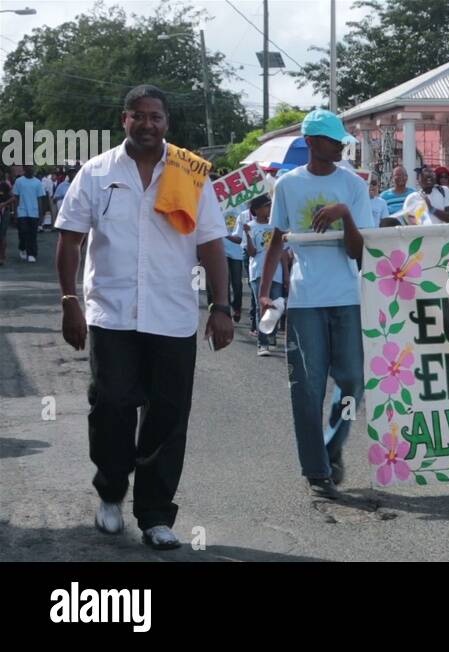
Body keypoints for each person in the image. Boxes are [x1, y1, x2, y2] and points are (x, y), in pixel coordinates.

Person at [54, 84, 233, 549]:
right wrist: (69, 301)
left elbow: (211, 243)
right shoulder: (95, 173)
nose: (148, 124)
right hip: (112, 315)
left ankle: (155, 514)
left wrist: (222, 306)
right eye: (139, 115)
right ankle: (111, 494)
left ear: (166, 122)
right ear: (124, 120)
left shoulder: (191, 174)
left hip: (171, 316)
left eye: (156, 116)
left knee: (168, 416)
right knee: (111, 405)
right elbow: (70, 238)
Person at [258, 109, 374, 499]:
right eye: (333, 140)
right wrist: (263, 291)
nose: (341, 146)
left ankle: (332, 442)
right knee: (306, 388)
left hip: (348, 297)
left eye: (342, 140)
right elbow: (276, 240)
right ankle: (316, 470)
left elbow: (361, 253)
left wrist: (345, 216)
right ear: (312, 143)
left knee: (353, 382)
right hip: (306, 300)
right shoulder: (289, 186)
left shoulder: (353, 186)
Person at [242, 194, 288, 356]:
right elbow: (252, 252)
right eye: (266, 206)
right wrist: (247, 235)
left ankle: (272, 336)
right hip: (257, 272)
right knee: (261, 305)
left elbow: (282, 252)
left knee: (275, 305)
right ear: (257, 209)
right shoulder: (250, 226)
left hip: (277, 273)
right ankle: (263, 343)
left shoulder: (277, 225)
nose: (269, 209)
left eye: (271, 206)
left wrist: (287, 276)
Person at [12, 165, 46, 263]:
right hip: (22, 211)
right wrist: (15, 213)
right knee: (23, 232)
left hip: (34, 212)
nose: (31, 169)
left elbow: (40, 199)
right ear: (24, 169)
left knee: (32, 234)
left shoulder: (38, 183)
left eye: (32, 167)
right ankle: (22, 247)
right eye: (29, 167)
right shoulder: (19, 182)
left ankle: (31, 254)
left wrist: (41, 214)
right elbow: (16, 198)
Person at [0, 173, 14, 266]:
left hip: (4, 211)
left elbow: (13, 197)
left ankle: (2, 257)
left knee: (2, 234)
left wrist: (4, 204)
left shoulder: (4, 185)